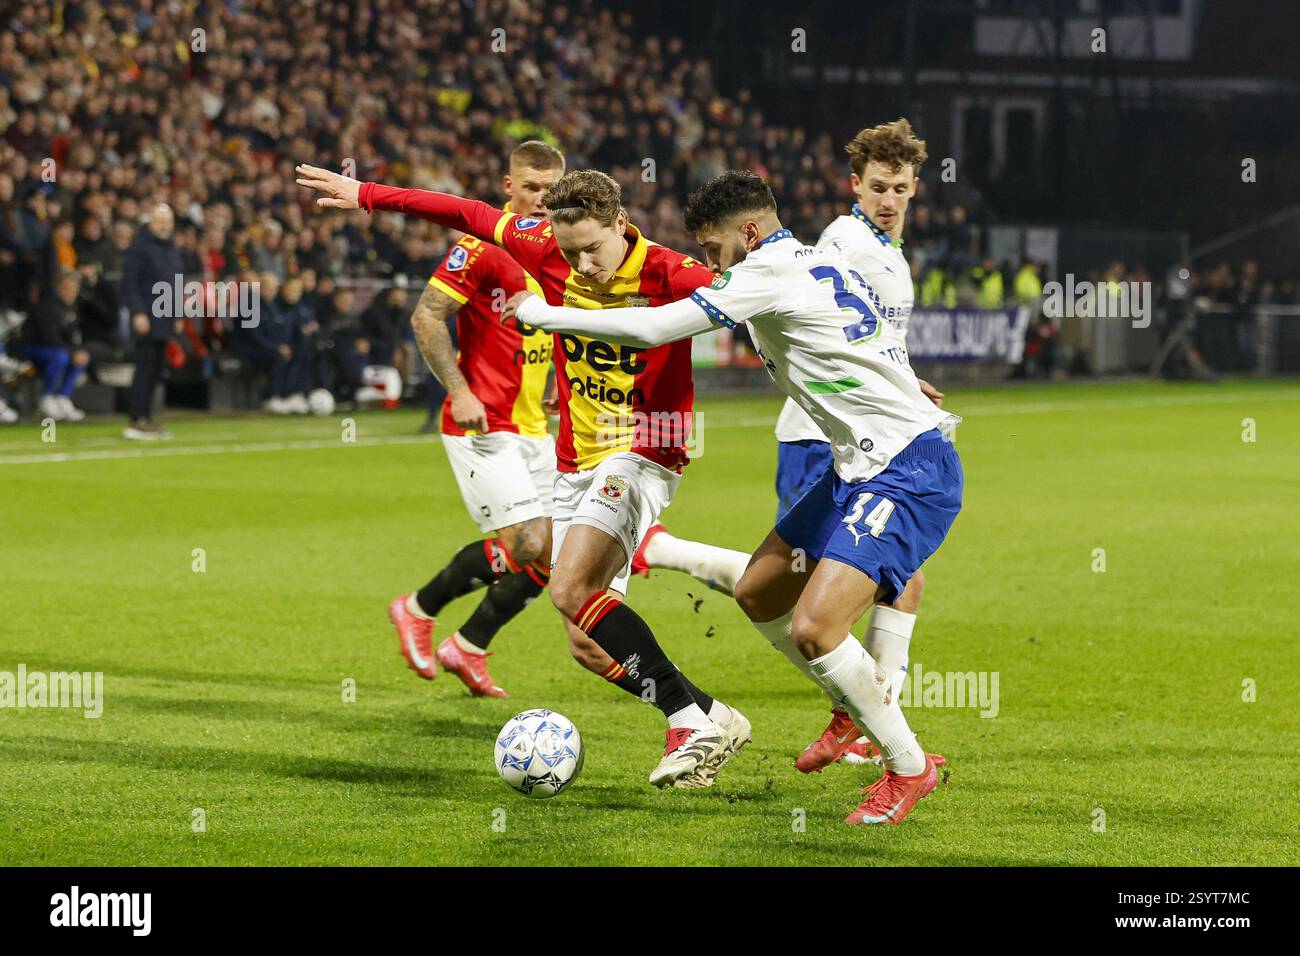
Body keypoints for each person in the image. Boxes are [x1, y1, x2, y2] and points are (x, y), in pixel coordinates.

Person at [506, 171, 963, 826]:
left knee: (814, 627)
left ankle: (908, 767)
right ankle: (850, 705)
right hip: (856, 467)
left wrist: (541, 314)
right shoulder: (818, 259)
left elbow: (656, 328)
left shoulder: (766, 270)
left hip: (906, 470)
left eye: (714, 250)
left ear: (749, 232)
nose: (710, 266)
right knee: (759, 591)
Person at [297, 161, 749, 790]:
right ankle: (710, 714)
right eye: (569, 253)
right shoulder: (547, 248)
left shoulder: (676, 274)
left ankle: (685, 721)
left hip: (647, 448)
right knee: (588, 641)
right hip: (574, 459)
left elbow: (772, 313)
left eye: (592, 249)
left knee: (566, 587)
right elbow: (463, 212)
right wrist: (366, 195)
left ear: (621, 224)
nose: (581, 266)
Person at [773, 118, 945, 772]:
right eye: (878, 186)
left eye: (900, 187)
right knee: (813, 588)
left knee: (899, 577)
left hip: (866, 437)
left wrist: (903, 382)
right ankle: (667, 550)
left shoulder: (889, 250)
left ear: (914, 188)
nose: (890, 198)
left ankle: (866, 720)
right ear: (854, 184)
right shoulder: (847, 240)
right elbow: (826, 318)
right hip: (819, 436)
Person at [389, 140, 566, 698]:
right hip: (481, 422)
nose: (540, 200)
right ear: (509, 186)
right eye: (530, 188)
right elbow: (427, 316)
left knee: (556, 554)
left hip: (535, 426)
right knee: (529, 544)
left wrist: (558, 388)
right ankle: (417, 609)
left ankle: (467, 647)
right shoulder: (483, 246)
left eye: (550, 190)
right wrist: (459, 390)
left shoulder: (561, 250)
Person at [121, 203, 182, 440]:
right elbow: (131, 284)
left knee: (156, 371)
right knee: (144, 369)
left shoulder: (171, 249)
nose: (165, 226)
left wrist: (177, 314)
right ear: (150, 223)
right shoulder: (139, 248)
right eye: (160, 221)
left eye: (168, 222)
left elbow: (176, 283)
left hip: (165, 319)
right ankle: (137, 418)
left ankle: (147, 416)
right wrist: (138, 312)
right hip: (147, 316)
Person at [22, 271, 90, 421]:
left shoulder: (71, 307)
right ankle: (46, 398)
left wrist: (77, 351)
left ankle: (63, 397)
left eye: (74, 289)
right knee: (61, 357)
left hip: (56, 348)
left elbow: (72, 336)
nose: (71, 292)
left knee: (82, 357)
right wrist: (72, 352)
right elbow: (49, 337)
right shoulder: (47, 306)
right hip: (32, 347)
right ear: (59, 288)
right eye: (67, 288)